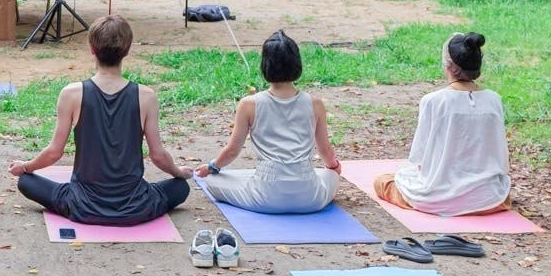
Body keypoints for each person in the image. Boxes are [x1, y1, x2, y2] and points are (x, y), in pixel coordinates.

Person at [10, 16, 192, 225]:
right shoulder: (146, 96)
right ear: (128, 49)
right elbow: (158, 156)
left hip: (82, 207)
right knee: (180, 187)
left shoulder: (71, 94)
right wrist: (179, 172)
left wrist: (25, 167)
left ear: (91, 49)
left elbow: (54, 153)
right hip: (135, 208)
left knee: (26, 182)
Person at [198, 31, 341, 213]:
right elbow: (325, 150)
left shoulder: (249, 104)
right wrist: (334, 167)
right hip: (309, 198)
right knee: (330, 175)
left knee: (212, 179)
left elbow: (233, 150)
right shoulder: (315, 104)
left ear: (265, 65)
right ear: (297, 64)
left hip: (265, 197)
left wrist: (212, 167)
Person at [373, 32, 511, 216]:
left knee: (382, 182)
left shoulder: (434, 101)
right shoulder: (494, 99)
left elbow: (419, 159)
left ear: (449, 65)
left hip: (438, 197)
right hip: (489, 199)